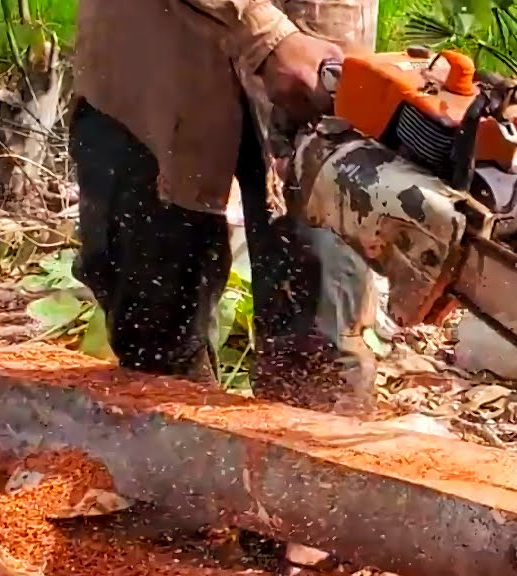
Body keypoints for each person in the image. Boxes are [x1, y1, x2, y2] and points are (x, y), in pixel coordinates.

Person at [70, 0, 391, 413]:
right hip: (153, 56)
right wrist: (265, 32)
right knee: (155, 338)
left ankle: (313, 463)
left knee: (320, 354)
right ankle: (170, 457)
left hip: (320, 58)